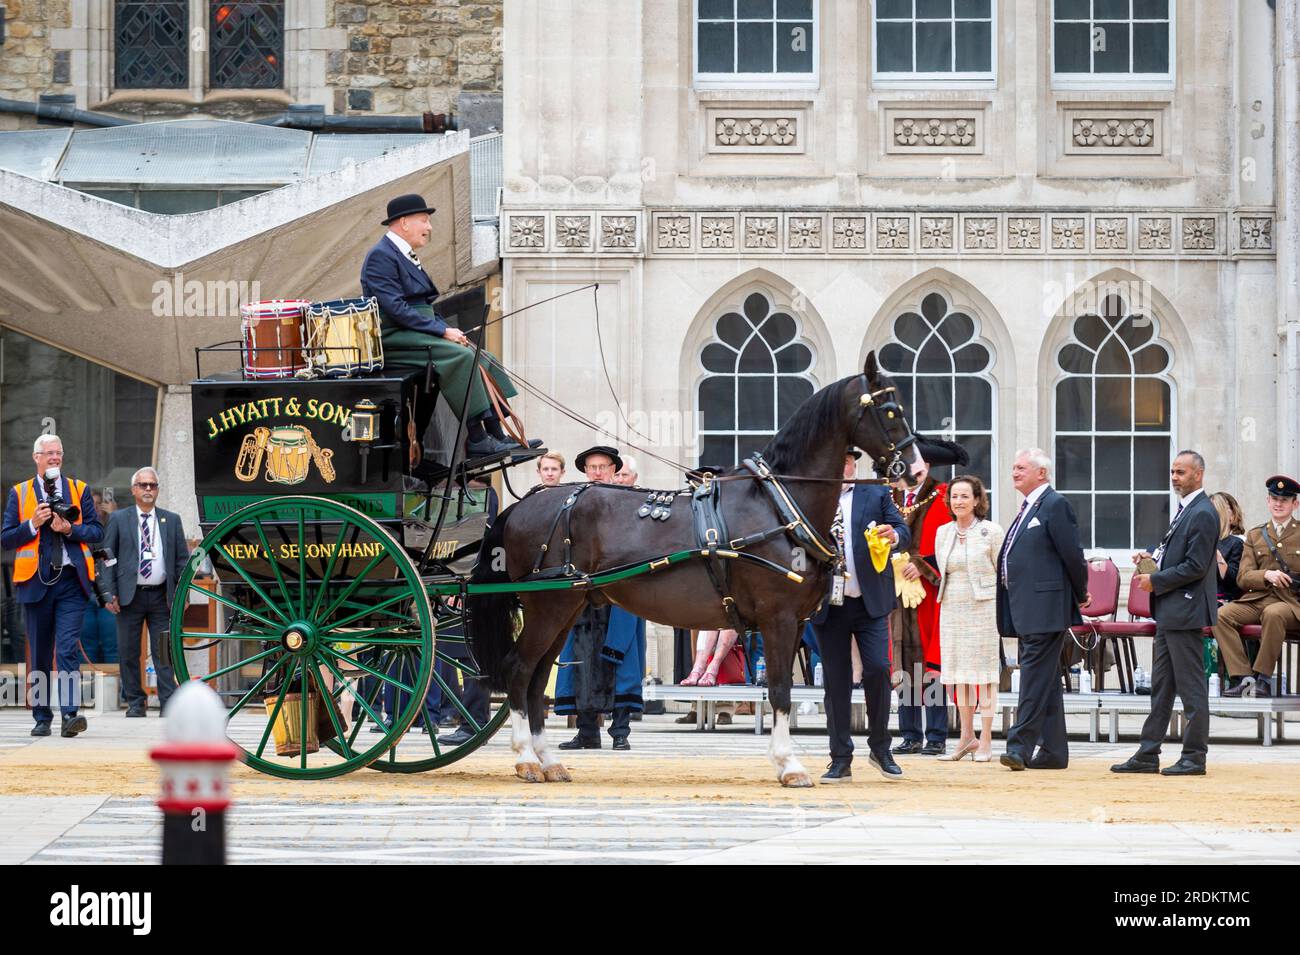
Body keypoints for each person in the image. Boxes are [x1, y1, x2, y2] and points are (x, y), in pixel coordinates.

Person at [360, 193, 538, 458]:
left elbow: (423, 305)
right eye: (424, 220)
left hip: (416, 328)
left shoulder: (402, 253)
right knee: (461, 357)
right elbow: (396, 309)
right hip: (394, 334)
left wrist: (450, 331)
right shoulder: (381, 256)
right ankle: (477, 438)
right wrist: (442, 331)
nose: (429, 228)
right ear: (405, 222)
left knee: (482, 356)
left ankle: (497, 433)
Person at [1111, 451, 1219, 777]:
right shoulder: (1187, 510)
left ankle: (1194, 756)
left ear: (1198, 475)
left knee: (1191, 689)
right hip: (1171, 611)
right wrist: (1152, 561)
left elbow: (1196, 567)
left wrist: (1154, 580)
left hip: (1184, 611)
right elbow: (1179, 559)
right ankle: (1148, 752)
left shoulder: (1202, 512)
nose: (1174, 477)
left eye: (1181, 472)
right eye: (1172, 471)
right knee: (1162, 687)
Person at [810, 448, 910, 784]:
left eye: (849, 461)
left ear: (856, 464)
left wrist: (894, 535)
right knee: (836, 681)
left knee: (879, 669)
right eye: (838, 460)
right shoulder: (813, 496)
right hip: (829, 602)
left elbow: (901, 528)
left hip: (870, 599)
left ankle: (881, 748)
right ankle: (840, 757)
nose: (844, 466)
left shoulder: (876, 492)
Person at [1, 435, 103, 737]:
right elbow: (6, 538)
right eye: (49, 453)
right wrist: (32, 524)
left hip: (72, 581)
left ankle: (70, 714)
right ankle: (42, 717)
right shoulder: (19, 493)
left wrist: (70, 528)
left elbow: (96, 531)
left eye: (59, 453)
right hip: (35, 582)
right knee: (41, 652)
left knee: (67, 647)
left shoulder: (79, 489)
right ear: (36, 457)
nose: (55, 458)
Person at [997, 448, 1088, 771]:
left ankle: (1018, 746)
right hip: (1026, 607)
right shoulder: (1028, 508)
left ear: (1042, 473)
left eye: (1022, 467)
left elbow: (1072, 555)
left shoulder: (1054, 504)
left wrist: (1081, 592)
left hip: (1046, 607)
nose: (1015, 472)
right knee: (1046, 682)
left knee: (1033, 678)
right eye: (1013, 467)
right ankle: (1052, 751)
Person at [556, 446, 646, 751]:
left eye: (603, 466)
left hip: (621, 592)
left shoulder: (630, 504)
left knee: (623, 661)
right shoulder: (573, 504)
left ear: (612, 469)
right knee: (583, 661)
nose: (597, 471)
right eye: (592, 466)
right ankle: (587, 732)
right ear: (585, 471)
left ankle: (620, 732)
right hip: (583, 592)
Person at [889, 438, 967, 756]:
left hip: (931, 593)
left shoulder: (945, 496)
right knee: (904, 661)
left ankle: (935, 733)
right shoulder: (891, 497)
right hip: (896, 593)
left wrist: (921, 566)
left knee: (930, 660)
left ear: (928, 466)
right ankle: (909, 732)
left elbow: (955, 543)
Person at [103, 467, 188, 716]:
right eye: (143, 485)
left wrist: (183, 595)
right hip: (130, 596)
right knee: (129, 652)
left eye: (152, 485)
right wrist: (109, 593)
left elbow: (183, 561)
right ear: (133, 490)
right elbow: (107, 557)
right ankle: (135, 703)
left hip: (162, 596)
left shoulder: (171, 520)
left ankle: (168, 704)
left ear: (158, 490)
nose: (148, 489)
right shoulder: (119, 518)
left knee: (164, 652)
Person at [933, 476, 1004, 763]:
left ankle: (986, 738)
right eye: (954, 496)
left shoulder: (991, 531)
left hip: (983, 608)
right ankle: (966, 737)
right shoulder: (943, 532)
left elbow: (1003, 572)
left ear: (977, 500)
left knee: (985, 676)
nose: (959, 501)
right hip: (952, 606)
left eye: (965, 496)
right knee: (959, 676)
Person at [1214, 475, 1300, 698]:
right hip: (1258, 599)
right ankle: (1243, 677)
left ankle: (1263, 678)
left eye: (1285, 499)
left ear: (1295, 504)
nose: (1279, 503)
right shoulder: (1255, 535)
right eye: (1274, 498)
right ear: (1268, 501)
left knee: (1273, 614)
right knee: (1220, 616)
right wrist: (1267, 575)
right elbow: (1243, 577)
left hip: (1291, 603)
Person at [1211, 491, 1246, 605]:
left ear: (1232, 516)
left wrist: (1219, 558)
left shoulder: (1237, 542)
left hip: (1222, 600)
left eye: (1216, 512)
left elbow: (1234, 582)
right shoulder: (1201, 540)